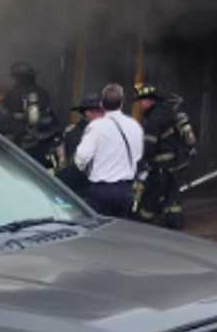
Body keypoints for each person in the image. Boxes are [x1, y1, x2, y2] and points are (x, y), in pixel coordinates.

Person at [133, 83, 197, 229]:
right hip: (175, 165)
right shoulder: (168, 113)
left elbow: (149, 147)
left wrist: (141, 162)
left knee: (150, 199)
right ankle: (173, 225)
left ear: (150, 100)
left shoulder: (153, 120)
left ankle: (141, 227)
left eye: (142, 100)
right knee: (172, 197)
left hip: (160, 167)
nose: (141, 104)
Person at [74, 83, 144, 217]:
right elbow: (137, 156)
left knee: (100, 231)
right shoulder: (134, 126)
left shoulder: (96, 127)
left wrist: (85, 169)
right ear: (122, 103)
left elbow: (81, 157)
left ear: (101, 104)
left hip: (101, 191)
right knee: (122, 231)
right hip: (126, 190)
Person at [0, 62, 61, 170]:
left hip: (24, 141)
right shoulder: (41, 92)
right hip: (37, 141)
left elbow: (3, 117)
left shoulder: (14, 93)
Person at [56, 94, 103, 195]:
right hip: (84, 187)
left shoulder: (72, 130)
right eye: (99, 111)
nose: (103, 114)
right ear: (88, 113)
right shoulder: (79, 133)